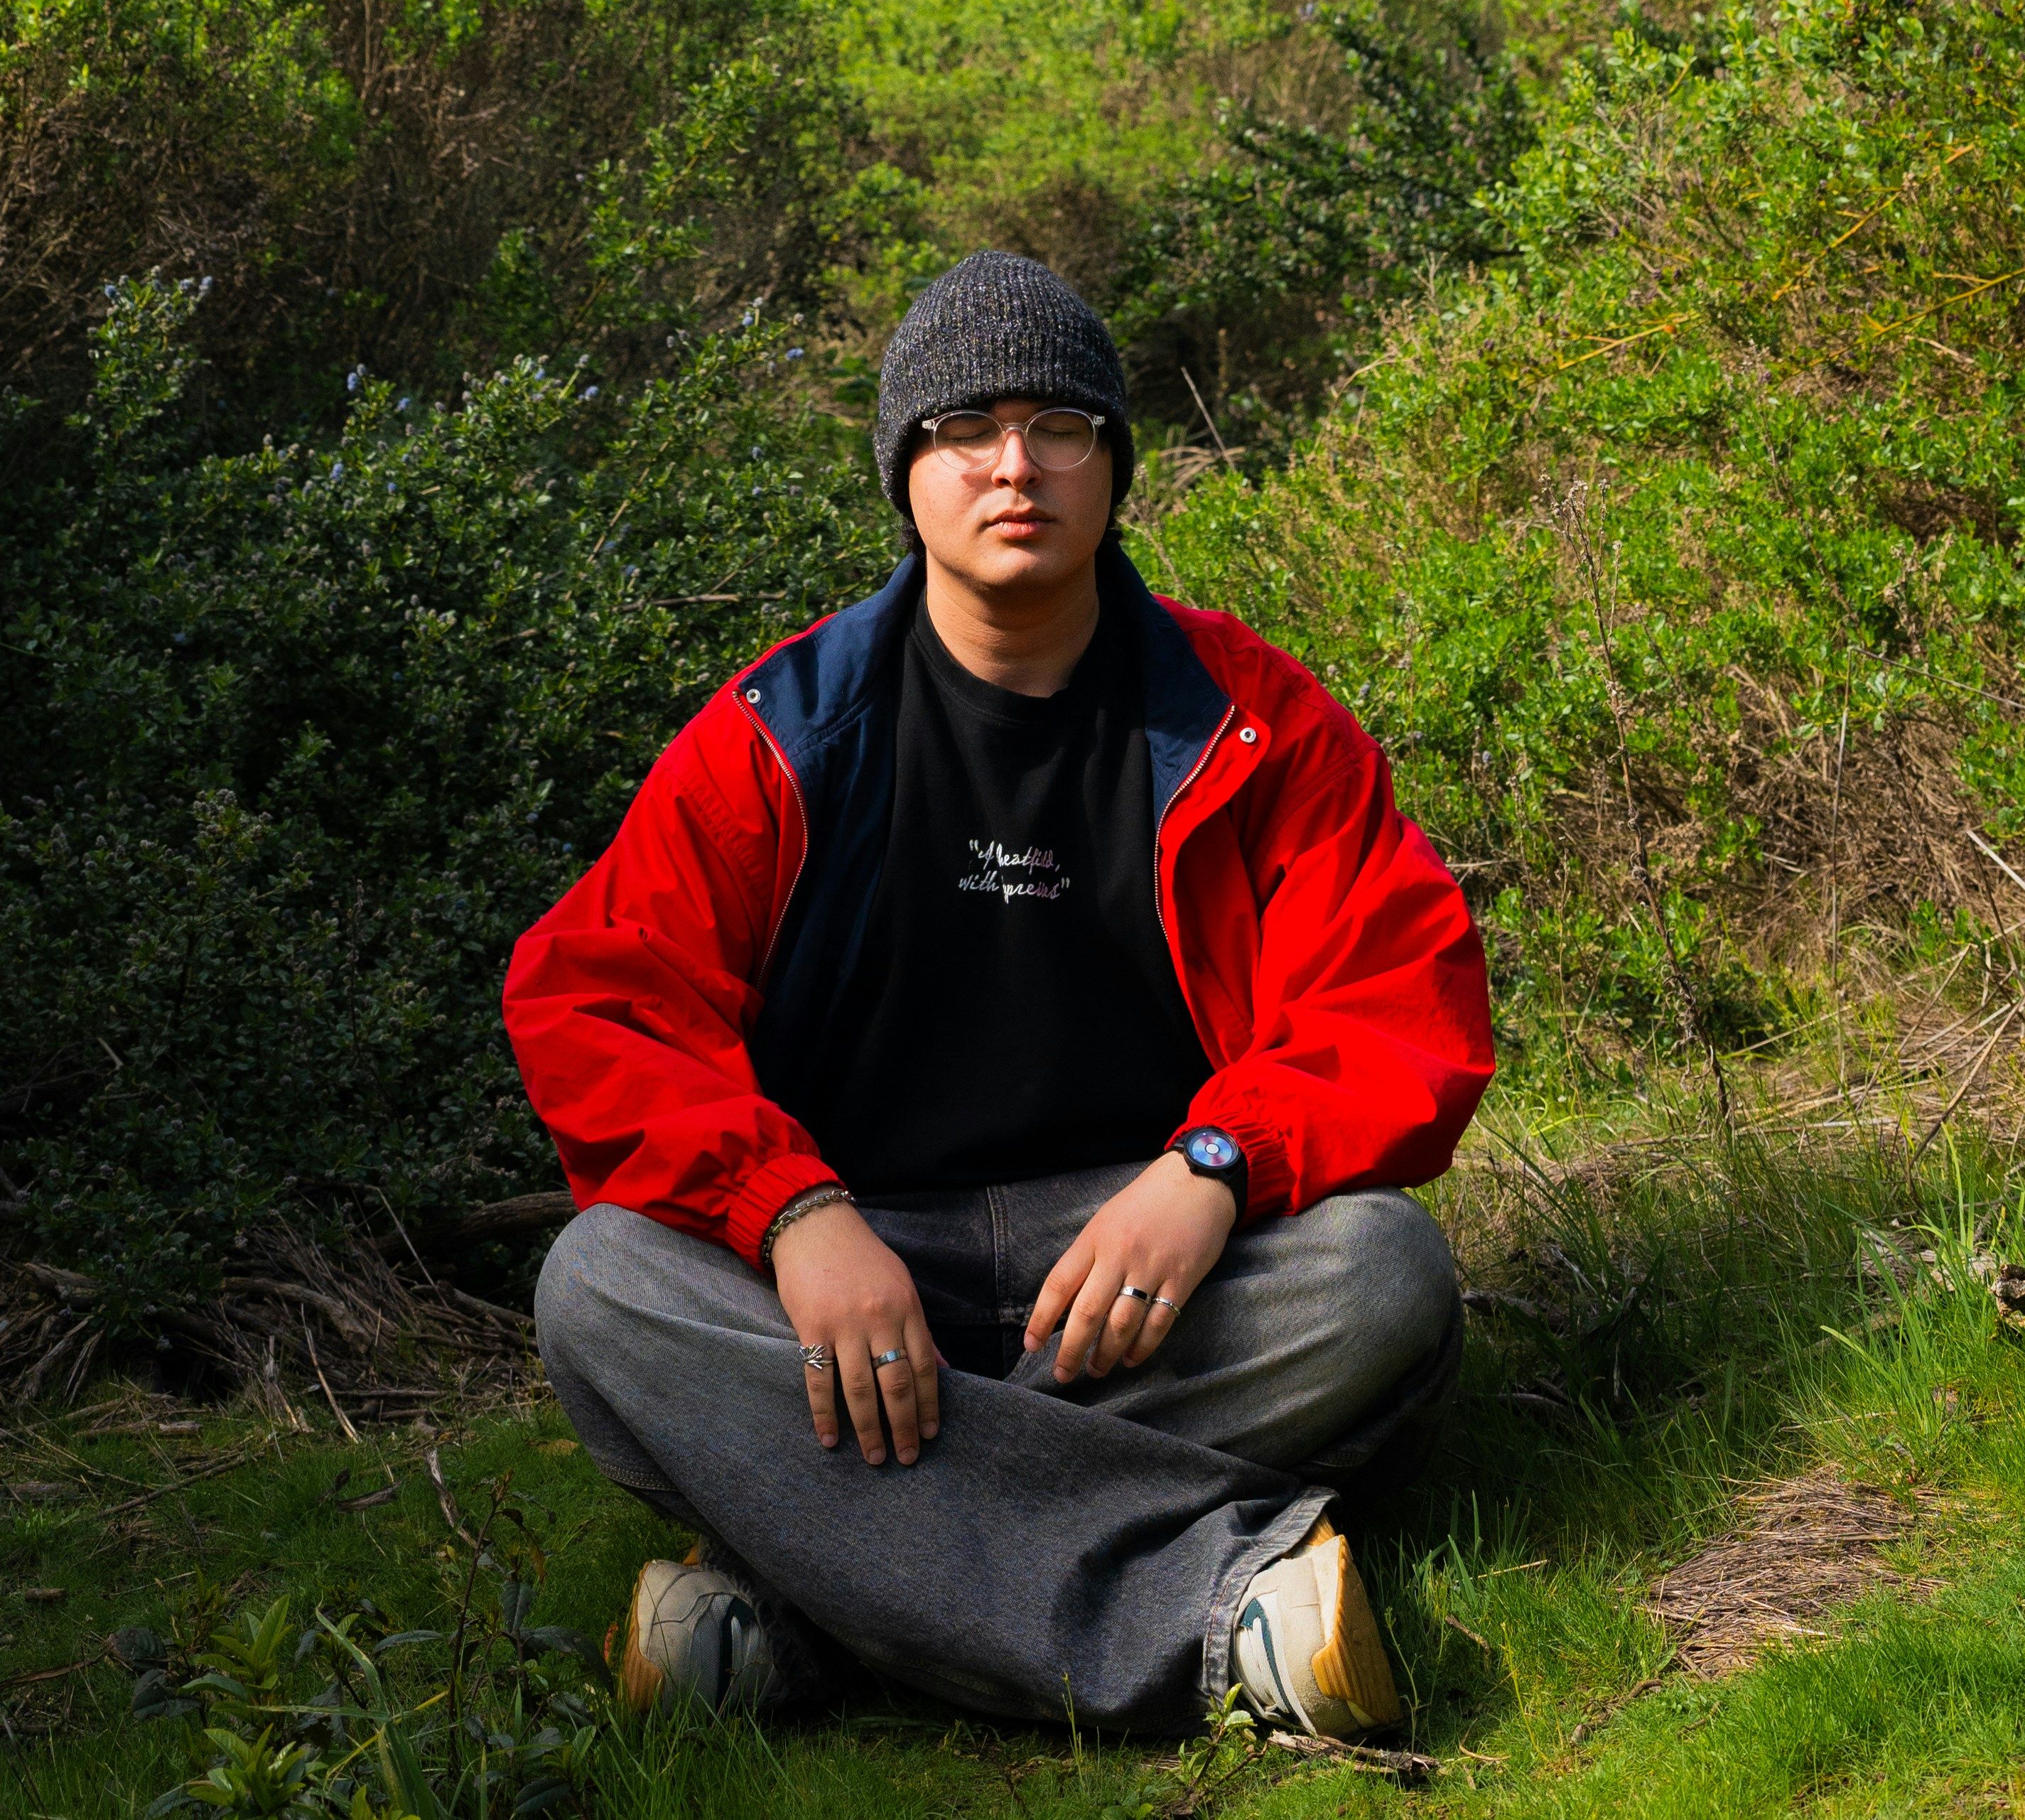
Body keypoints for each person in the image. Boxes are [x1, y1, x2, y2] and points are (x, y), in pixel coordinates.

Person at [504, 249, 1494, 1742]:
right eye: (964, 428)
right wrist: (793, 1214)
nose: (1013, 465)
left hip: (1142, 1276)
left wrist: (1214, 1170)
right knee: (597, 1293)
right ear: (907, 472)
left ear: (1115, 468)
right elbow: (597, 1004)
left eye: (1060, 425)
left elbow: (1397, 1003)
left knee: (1383, 1280)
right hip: (843, 1274)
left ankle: (802, 1603)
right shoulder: (782, 733)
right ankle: (1216, 1613)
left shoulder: (1252, 723)